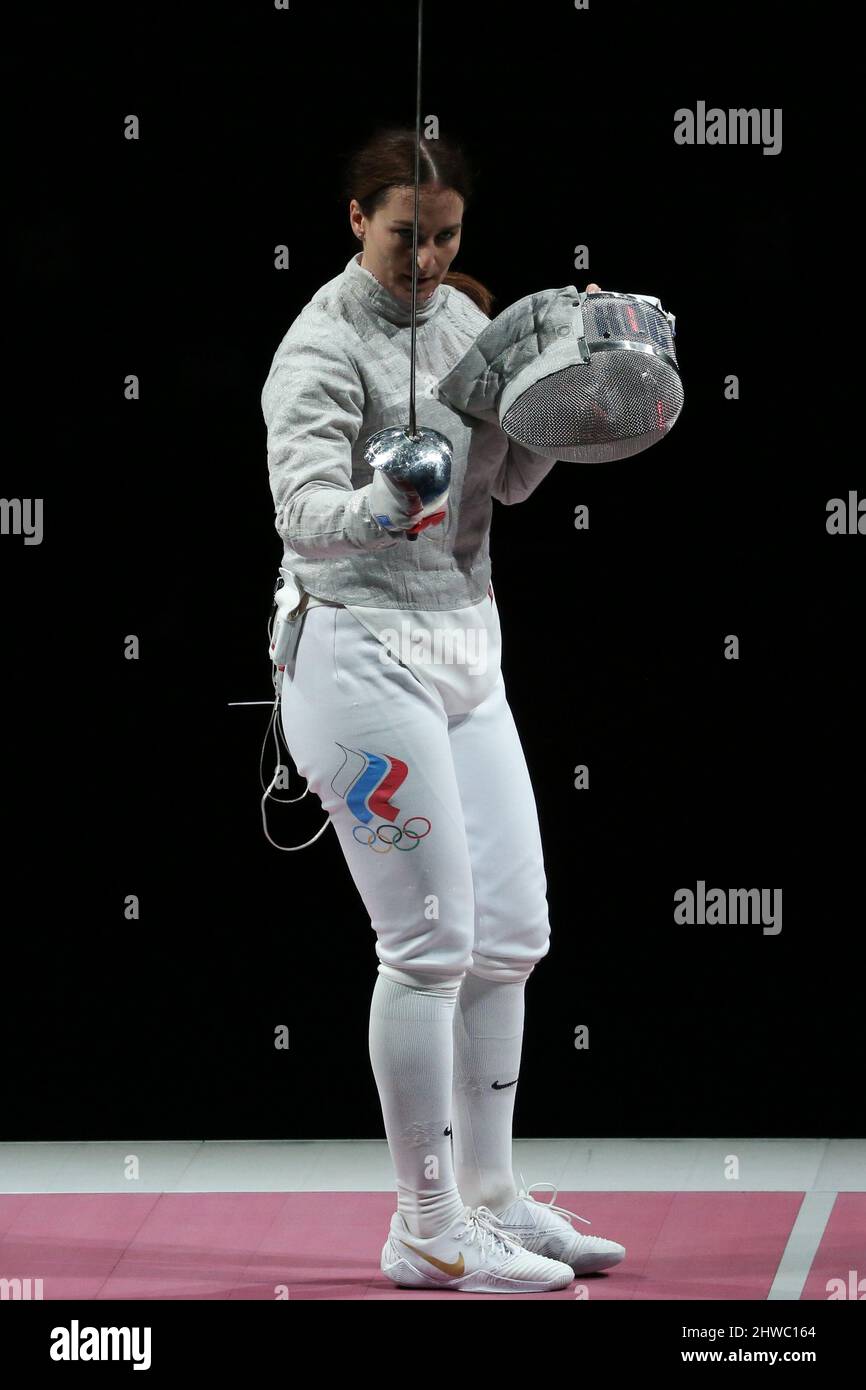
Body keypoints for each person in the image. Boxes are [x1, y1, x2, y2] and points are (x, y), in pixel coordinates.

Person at [261, 127, 625, 1293]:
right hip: (358, 655)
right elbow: (302, 504)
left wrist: (569, 387)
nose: (426, 257)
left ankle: (489, 1196)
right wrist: (376, 502)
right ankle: (420, 1223)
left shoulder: (467, 328)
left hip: (467, 647)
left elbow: (507, 478)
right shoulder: (318, 345)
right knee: (426, 946)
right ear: (355, 222)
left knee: (511, 935)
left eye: (446, 235)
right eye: (404, 234)